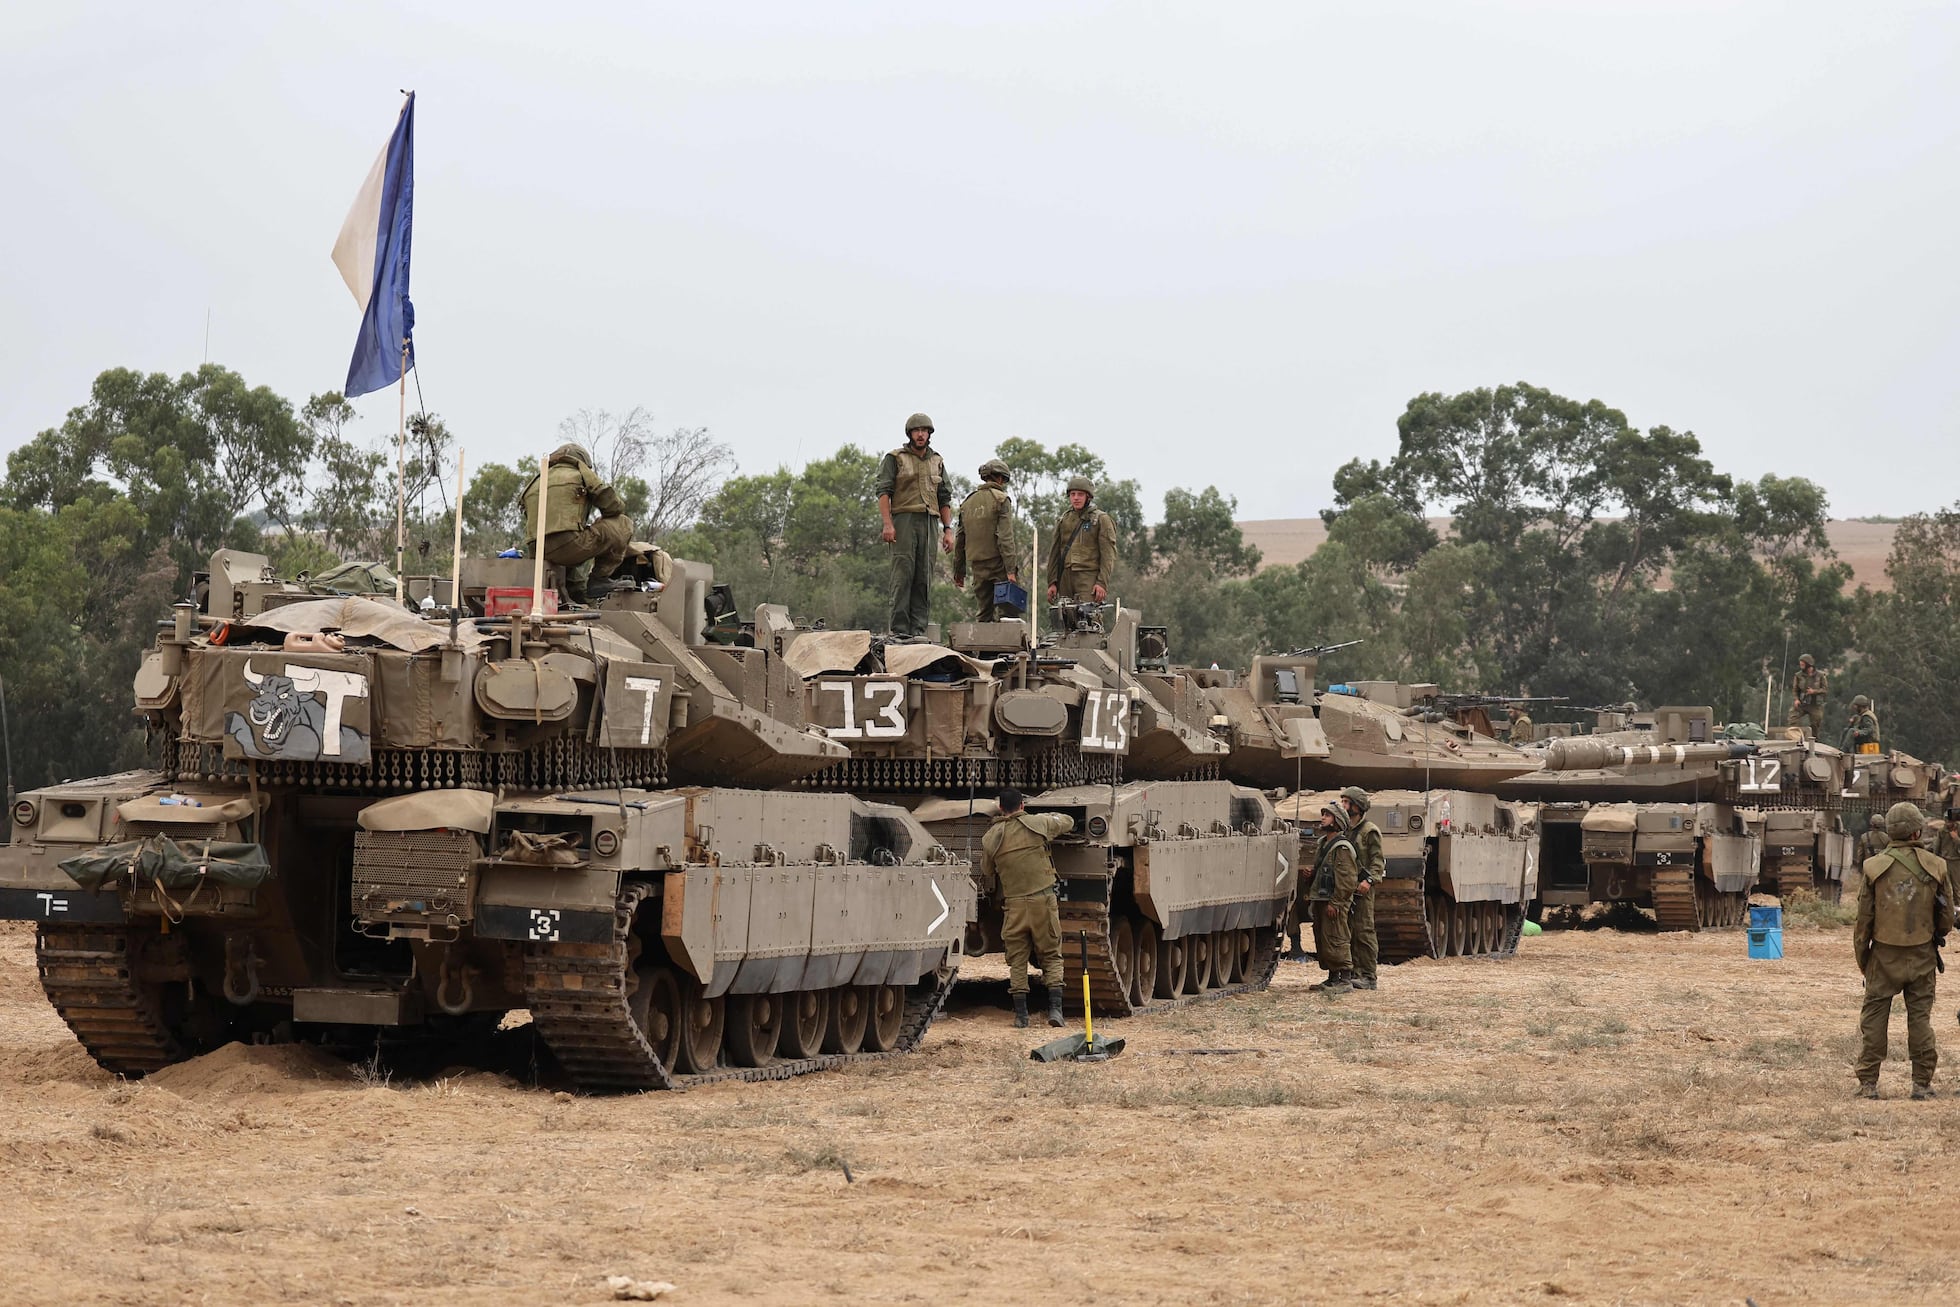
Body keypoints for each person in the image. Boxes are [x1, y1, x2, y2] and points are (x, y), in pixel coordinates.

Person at [1853, 802, 1953, 1100]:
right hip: (1922, 953)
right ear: (1917, 830)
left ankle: (1868, 1084)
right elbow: (1946, 919)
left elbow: (1863, 923)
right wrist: (1933, 936)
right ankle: (1921, 1084)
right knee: (1920, 1018)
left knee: (1874, 1017)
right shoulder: (1936, 866)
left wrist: (1864, 960)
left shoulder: (1873, 868)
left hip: (1883, 956)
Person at [979, 787, 1073, 1028]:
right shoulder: (1038, 823)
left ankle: (1021, 1016)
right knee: (1051, 955)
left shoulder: (992, 836)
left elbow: (987, 871)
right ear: (1022, 805)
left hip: (1014, 905)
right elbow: (1068, 821)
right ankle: (1055, 1010)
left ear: (1001, 808)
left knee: (1017, 959)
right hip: (1043, 902)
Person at [520, 443, 634, 605]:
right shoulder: (578, 472)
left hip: (537, 551)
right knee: (623, 523)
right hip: (569, 545)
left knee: (577, 585)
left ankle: (580, 602)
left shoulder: (536, 482)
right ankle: (599, 579)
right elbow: (613, 506)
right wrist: (601, 524)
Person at [875, 413, 953, 638]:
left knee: (924, 577)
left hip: (929, 521)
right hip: (904, 519)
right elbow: (883, 491)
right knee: (903, 575)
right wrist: (888, 524)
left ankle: (918, 630)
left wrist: (948, 530)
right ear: (910, 434)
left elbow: (944, 497)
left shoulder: (937, 461)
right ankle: (900, 631)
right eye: (916, 431)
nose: (920, 434)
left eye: (924, 430)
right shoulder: (895, 458)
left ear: (929, 434)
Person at [952, 459, 1019, 621]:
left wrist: (959, 571)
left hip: (977, 566)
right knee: (1008, 614)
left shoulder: (967, 503)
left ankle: (980, 646)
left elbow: (960, 539)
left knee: (983, 613)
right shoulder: (1001, 499)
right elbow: (1005, 537)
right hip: (999, 566)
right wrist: (1011, 570)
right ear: (1001, 479)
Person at [1304, 805, 1359, 997]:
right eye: (1323, 815)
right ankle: (1332, 977)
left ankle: (1345, 978)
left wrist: (1336, 902)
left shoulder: (1341, 847)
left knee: (1337, 936)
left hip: (1334, 901)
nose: (1323, 818)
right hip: (1321, 898)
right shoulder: (1323, 843)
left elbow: (1347, 879)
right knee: (1324, 937)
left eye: (1327, 815)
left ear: (1337, 821)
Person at [1045, 475, 1118, 605]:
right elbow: (1054, 553)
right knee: (1064, 618)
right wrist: (1052, 582)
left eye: (1080, 494)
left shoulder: (1101, 520)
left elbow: (1108, 555)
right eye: (1073, 494)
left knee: (1089, 617)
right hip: (1065, 578)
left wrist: (1101, 582)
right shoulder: (1064, 520)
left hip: (1088, 576)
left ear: (1088, 497)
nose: (1076, 498)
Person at [1338, 785, 1382, 991]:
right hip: (1347, 888)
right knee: (1348, 931)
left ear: (1358, 806)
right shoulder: (1345, 830)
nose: (1344, 805)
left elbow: (1377, 862)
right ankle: (1354, 972)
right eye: (1343, 802)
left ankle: (1368, 975)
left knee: (1364, 931)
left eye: (1347, 802)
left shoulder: (1368, 831)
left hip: (1363, 888)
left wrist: (1369, 881)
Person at [1787, 654, 1827, 738]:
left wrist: (1814, 691)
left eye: (1802, 664)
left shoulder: (1820, 675)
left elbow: (1825, 689)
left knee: (1815, 723)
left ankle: (1814, 740)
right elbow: (1795, 689)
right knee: (1793, 716)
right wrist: (1796, 699)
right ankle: (1795, 737)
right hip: (1803, 702)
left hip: (1815, 704)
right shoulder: (1798, 675)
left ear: (1808, 664)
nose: (1801, 666)